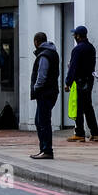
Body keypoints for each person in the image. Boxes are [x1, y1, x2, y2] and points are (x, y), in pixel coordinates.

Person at [63, 25, 98, 142]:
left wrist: (67, 82)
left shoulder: (77, 49)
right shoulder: (91, 48)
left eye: (75, 35)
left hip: (80, 81)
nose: (74, 36)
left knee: (79, 107)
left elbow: (73, 67)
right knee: (88, 107)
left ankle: (79, 133)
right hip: (89, 80)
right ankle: (94, 133)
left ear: (78, 36)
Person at [29, 31, 60, 159]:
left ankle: (47, 150)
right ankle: (44, 149)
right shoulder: (53, 53)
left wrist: (36, 88)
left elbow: (41, 76)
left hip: (45, 92)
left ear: (36, 42)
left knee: (43, 122)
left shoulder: (44, 56)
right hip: (51, 91)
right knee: (40, 120)